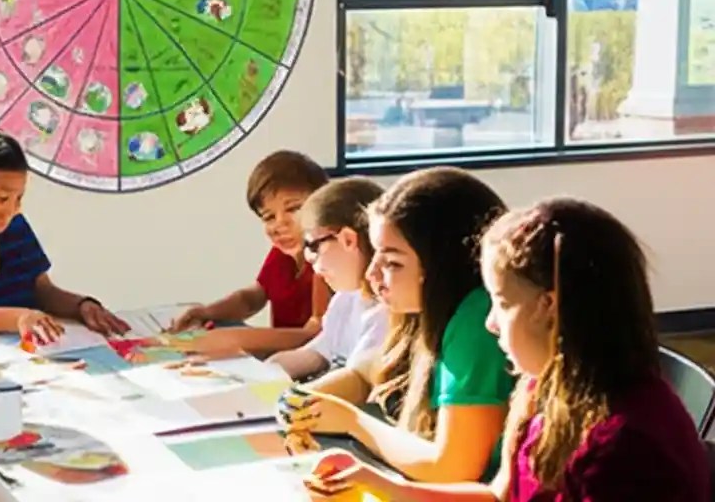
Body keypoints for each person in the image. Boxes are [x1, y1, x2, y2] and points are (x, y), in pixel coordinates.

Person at [304, 198, 711, 501]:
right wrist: (380, 484)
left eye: (500, 303)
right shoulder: (544, 385)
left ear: (546, 307)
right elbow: (499, 496)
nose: (490, 323)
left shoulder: (622, 446)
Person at [287, 167, 513, 483]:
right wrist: (299, 406)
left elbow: (452, 468)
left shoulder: (477, 322)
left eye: (392, 262)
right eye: (376, 254)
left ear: (441, 264)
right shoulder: (420, 309)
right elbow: (367, 377)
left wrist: (353, 421)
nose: (372, 274)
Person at [0, 130, 129, 339]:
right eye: (3, 198)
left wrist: (81, 305)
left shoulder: (15, 226)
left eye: (19, 198)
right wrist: (17, 318)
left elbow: (42, 291)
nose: (12, 210)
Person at [168, 150, 332, 358]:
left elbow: (314, 335)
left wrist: (231, 339)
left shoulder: (325, 261)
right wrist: (205, 312)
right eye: (268, 217)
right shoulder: (282, 254)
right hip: (280, 356)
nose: (279, 224)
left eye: (293, 209)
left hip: (313, 364)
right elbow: (252, 298)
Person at [267, 177, 387, 380]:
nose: (308, 258)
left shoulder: (385, 314)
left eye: (314, 246)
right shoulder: (345, 300)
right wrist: (258, 376)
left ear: (348, 239)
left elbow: (354, 382)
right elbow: (315, 354)